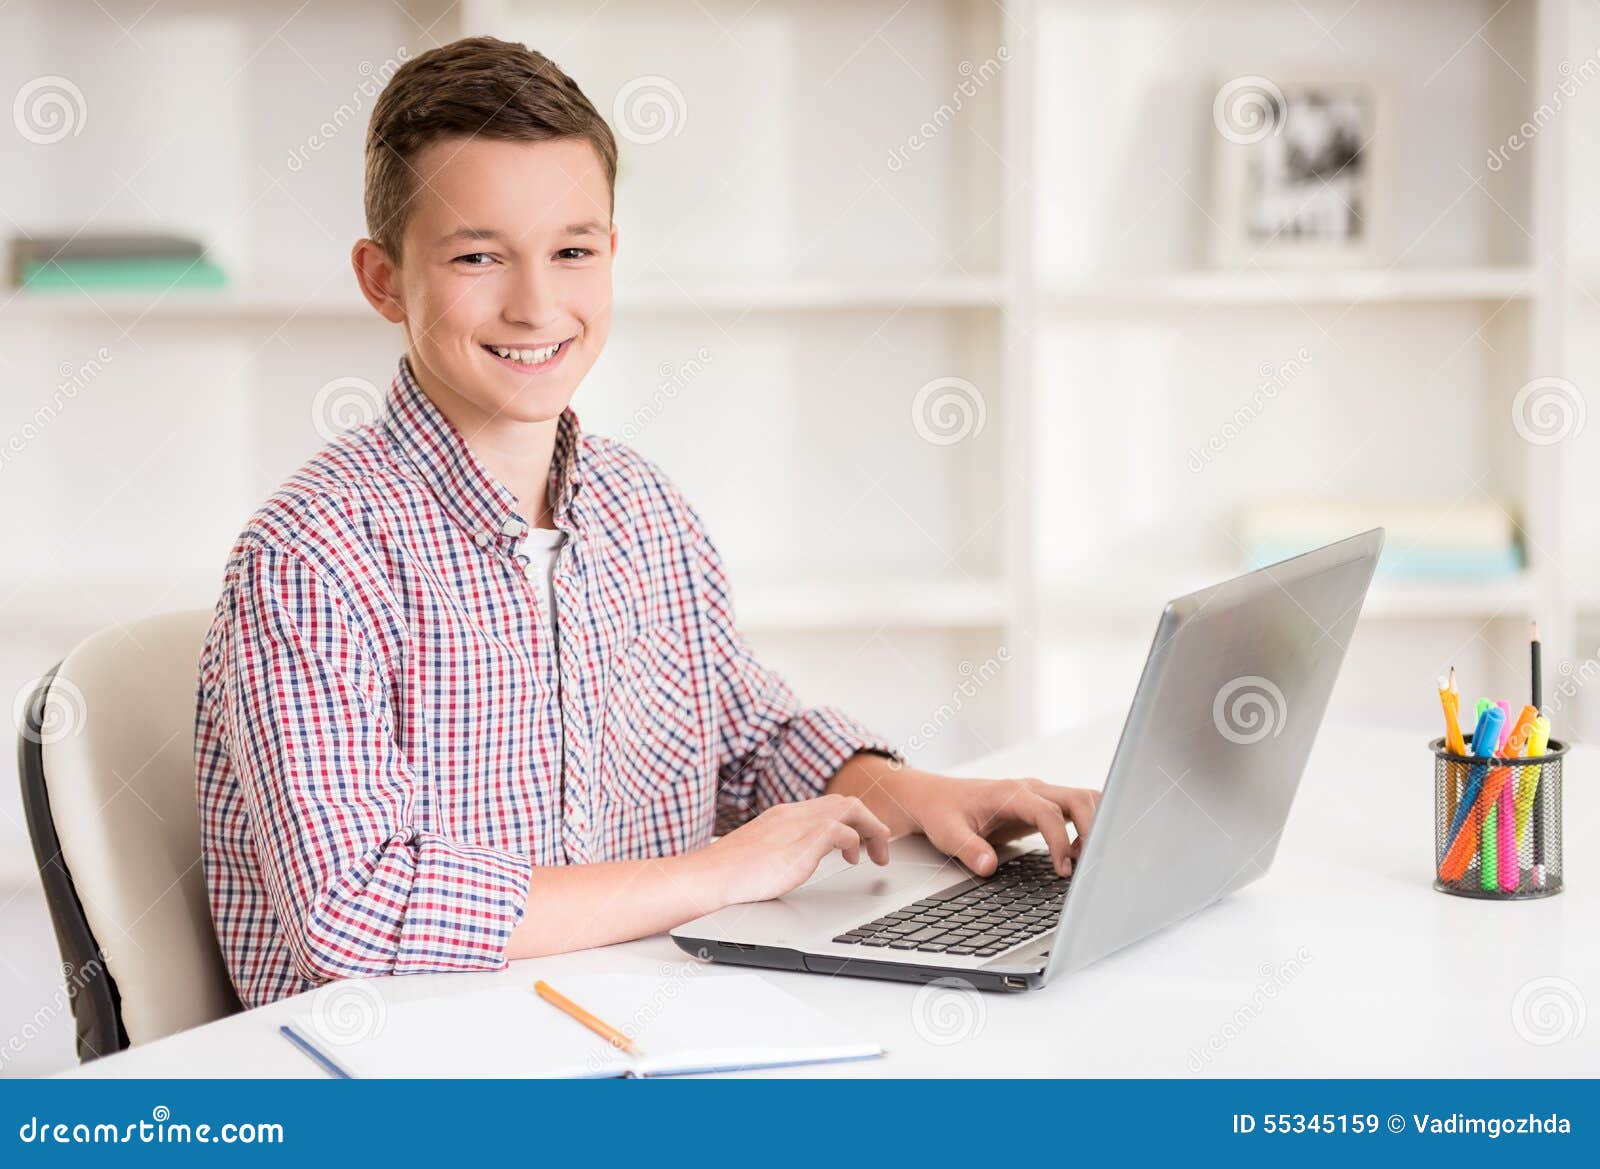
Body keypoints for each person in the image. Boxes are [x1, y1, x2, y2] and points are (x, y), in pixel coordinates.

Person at [194, 36, 1099, 1009]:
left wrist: (927, 794)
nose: (536, 303)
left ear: (611, 257)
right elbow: (353, 912)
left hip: (630, 1018)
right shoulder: (311, 556)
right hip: (401, 1060)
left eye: (572, 252)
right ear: (382, 279)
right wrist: (714, 874)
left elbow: (751, 744)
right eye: (477, 256)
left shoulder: (644, 510)